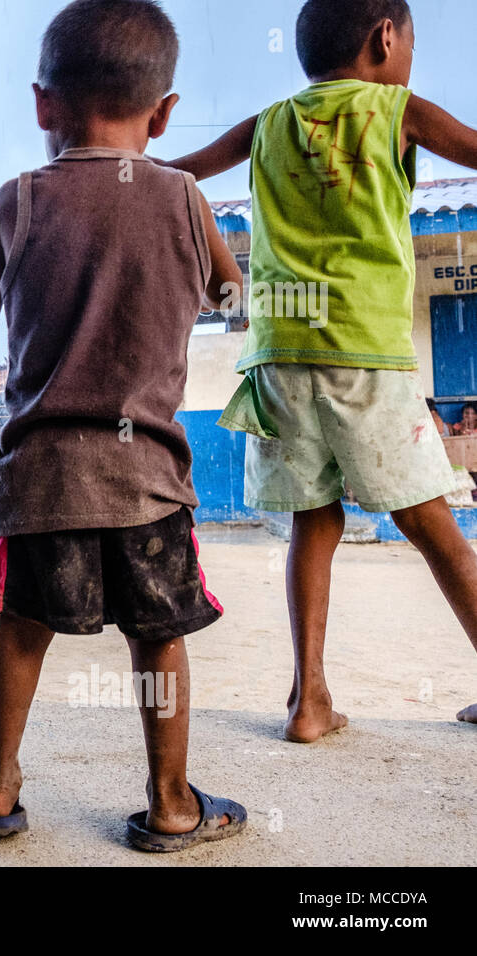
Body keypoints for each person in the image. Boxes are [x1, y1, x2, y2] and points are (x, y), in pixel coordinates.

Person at [0, 0, 247, 850]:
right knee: (159, 637)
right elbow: (232, 300)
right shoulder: (187, 200)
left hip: (44, 474)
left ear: (43, 104)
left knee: (25, 628)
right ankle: (171, 805)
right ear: (163, 114)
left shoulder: (18, 200)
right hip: (148, 477)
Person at [166, 0, 477, 732]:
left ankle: (310, 701)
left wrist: (97, 163)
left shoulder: (269, 122)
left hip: (278, 356)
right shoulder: (397, 108)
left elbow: (177, 176)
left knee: (313, 521)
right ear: (386, 38)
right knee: (436, 526)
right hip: (364, 353)